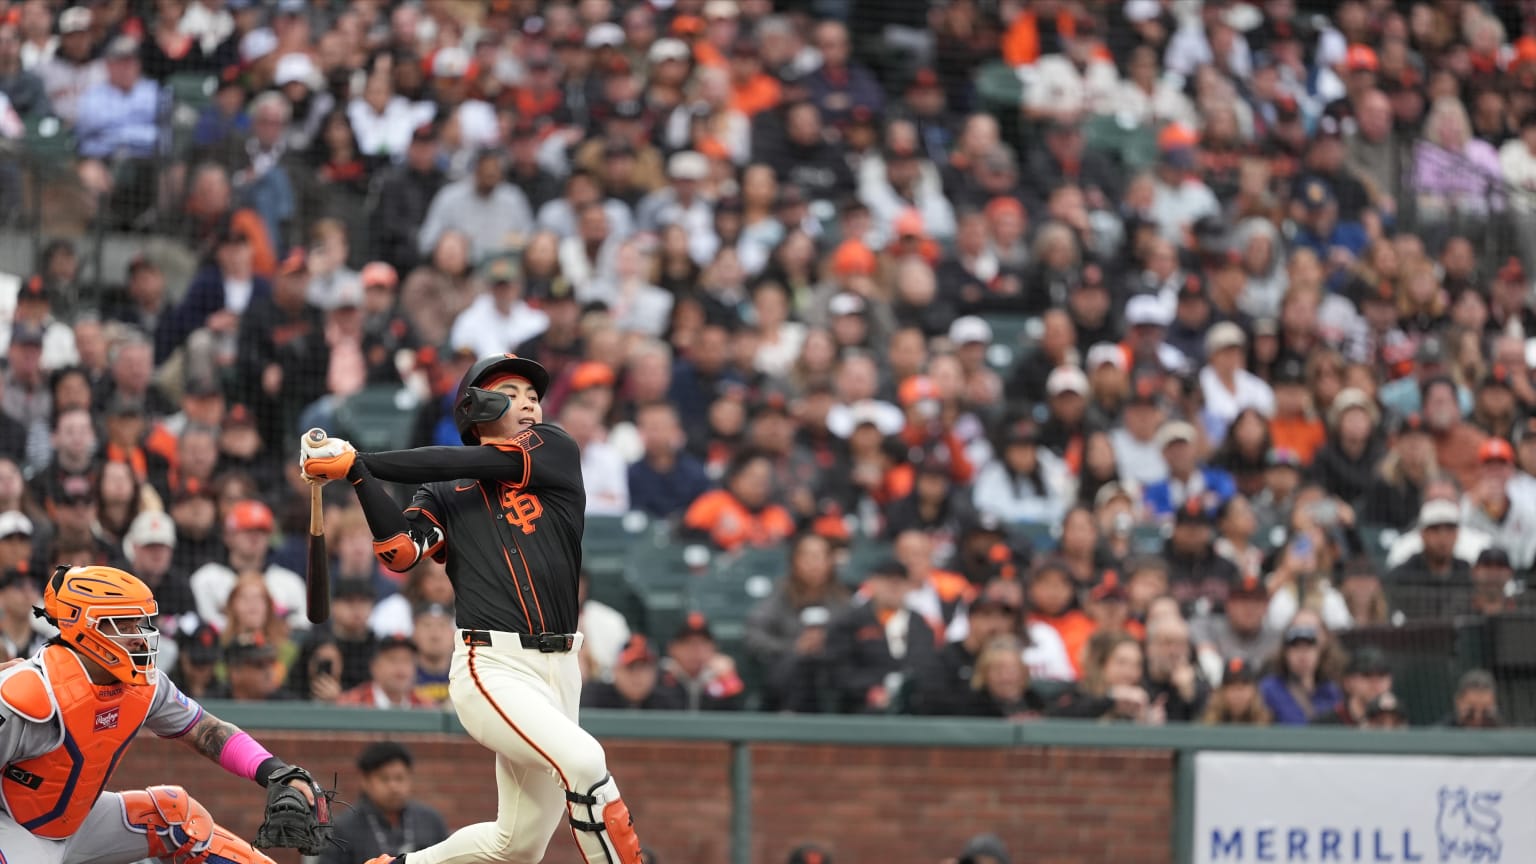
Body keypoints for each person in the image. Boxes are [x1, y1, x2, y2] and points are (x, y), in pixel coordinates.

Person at [299, 352, 645, 864]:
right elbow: (401, 550)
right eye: (511, 394)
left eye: (533, 396)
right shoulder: (441, 490)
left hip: (562, 668)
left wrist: (360, 460)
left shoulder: (553, 447)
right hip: (494, 666)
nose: (529, 404)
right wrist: (357, 479)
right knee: (586, 761)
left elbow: (471, 462)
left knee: (519, 845)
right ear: (476, 407)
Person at [0, 564, 323, 863]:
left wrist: (277, 772)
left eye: (139, 623)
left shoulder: (144, 683)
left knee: (178, 817)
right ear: (85, 627)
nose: (140, 638)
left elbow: (206, 731)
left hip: (77, 821)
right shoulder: (26, 693)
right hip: (15, 828)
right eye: (123, 624)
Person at [321, 741, 450, 864]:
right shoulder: (343, 828)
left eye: (399, 778)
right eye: (384, 779)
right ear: (365, 781)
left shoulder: (431, 821)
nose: (393, 786)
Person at [1258, 615, 1344, 725]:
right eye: (1296, 648)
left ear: (1319, 653)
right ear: (1285, 654)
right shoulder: (1269, 689)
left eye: (1308, 647)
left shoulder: (1331, 691)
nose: (1302, 655)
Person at [1313, 646, 1393, 726]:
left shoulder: (1399, 722)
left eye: (1382, 675)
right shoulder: (1325, 724)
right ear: (1348, 683)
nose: (1375, 683)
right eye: (1367, 675)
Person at [1200, 657, 1272, 725]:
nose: (1238, 695)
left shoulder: (1269, 724)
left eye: (1242, 688)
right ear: (1222, 692)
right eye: (1232, 689)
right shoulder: (1208, 723)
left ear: (1254, 691)